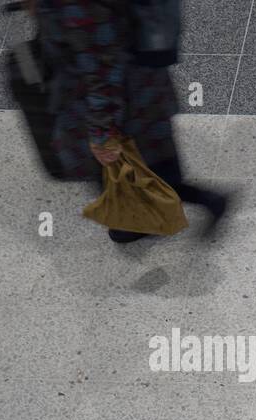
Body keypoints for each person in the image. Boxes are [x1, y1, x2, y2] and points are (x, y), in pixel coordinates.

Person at [38, 0, 227, 242]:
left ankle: (204, 202)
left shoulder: (79, 6)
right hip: (141, 87)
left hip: (124, 101)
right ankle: (146, 216)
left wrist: (101, 133)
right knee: (150, 165)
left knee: (140, 169)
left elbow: (102, 72)